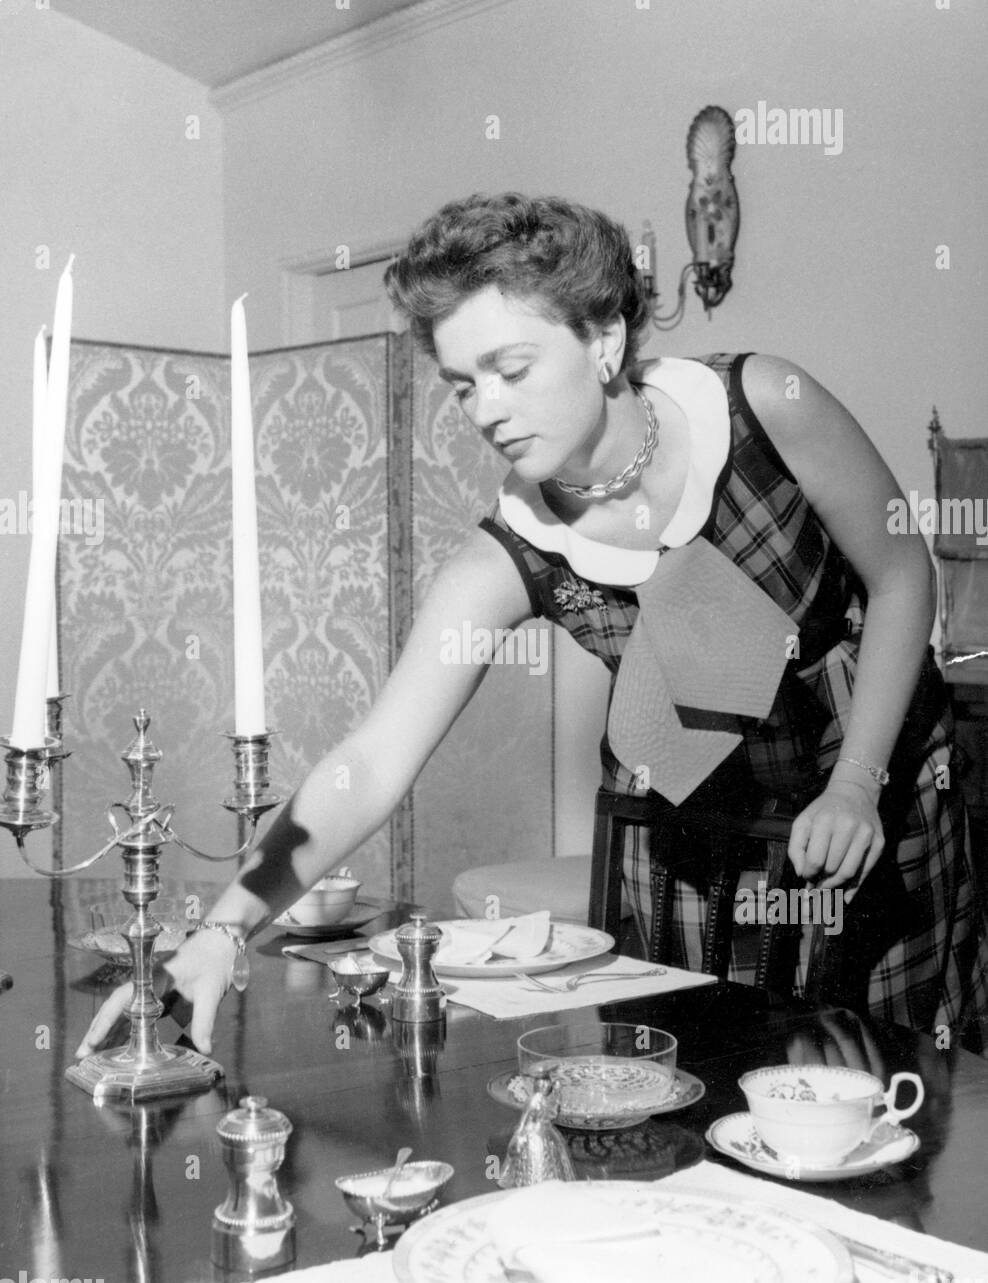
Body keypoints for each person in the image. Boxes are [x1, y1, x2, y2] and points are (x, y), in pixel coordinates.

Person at [76, 192, 988, 1062]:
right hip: (694, 855)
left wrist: (859, 784)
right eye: (462, 385)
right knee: (693, 1129)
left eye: (511, 371)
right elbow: (370, 763)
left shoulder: (765, 405)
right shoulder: (508, 555)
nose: (486, 411)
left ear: (603, 339)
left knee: (884, 1111)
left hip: (875, 807)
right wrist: (221, 931)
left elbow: (904, 572)